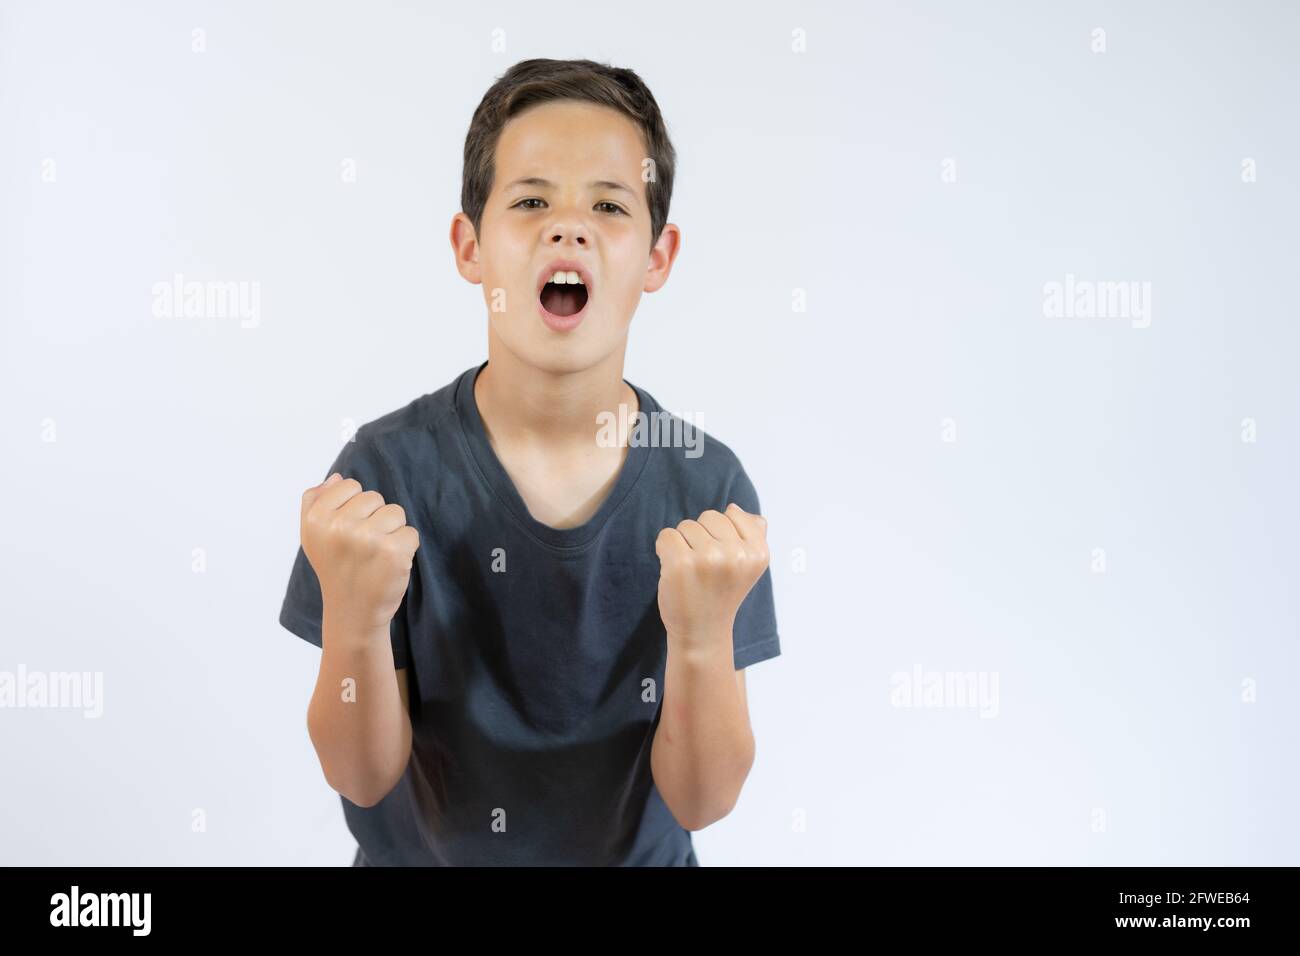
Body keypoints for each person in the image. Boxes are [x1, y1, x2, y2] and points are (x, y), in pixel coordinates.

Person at [278, 58, 781, 866]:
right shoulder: (382, 473)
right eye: (532, 200)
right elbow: (360, 776)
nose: (568, 227)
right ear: (470, 246)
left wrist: (699, 639)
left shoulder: (706, 488)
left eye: (609, 205)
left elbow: (704, 799)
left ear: (657, 256)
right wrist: (356, 618)